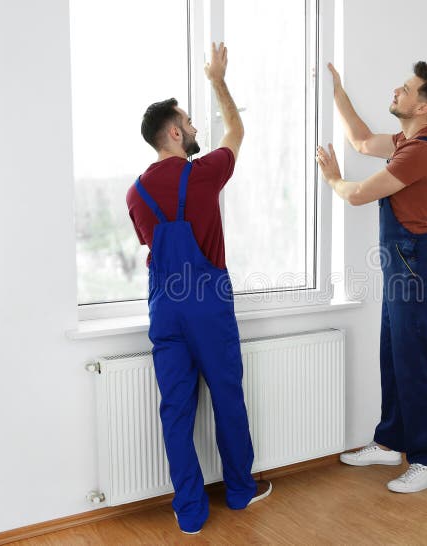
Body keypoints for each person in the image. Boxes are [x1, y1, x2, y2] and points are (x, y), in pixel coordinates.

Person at [126, 42, 271, 535]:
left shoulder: (136, 193)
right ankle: (239, 491)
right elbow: (237, 130)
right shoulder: (203, 173)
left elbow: (150, 242)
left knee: (176, 412)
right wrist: (217, 80)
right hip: (207, 302)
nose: (194, 129)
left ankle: (189, 513)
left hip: (166, 306)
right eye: (187, 122)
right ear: (174, 132)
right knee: (227, 398)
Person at [316, 61, 427, 493]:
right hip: (403, 262)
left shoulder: (421, 152)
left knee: (416, 361)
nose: (398, 89)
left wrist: (333, 178)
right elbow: (359, 139)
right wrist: (337, 90)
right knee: (394, 354)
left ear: (424, 106)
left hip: (414, 266)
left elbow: (358, 194)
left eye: (408, 88)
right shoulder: (404, 140)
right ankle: (391, 442)